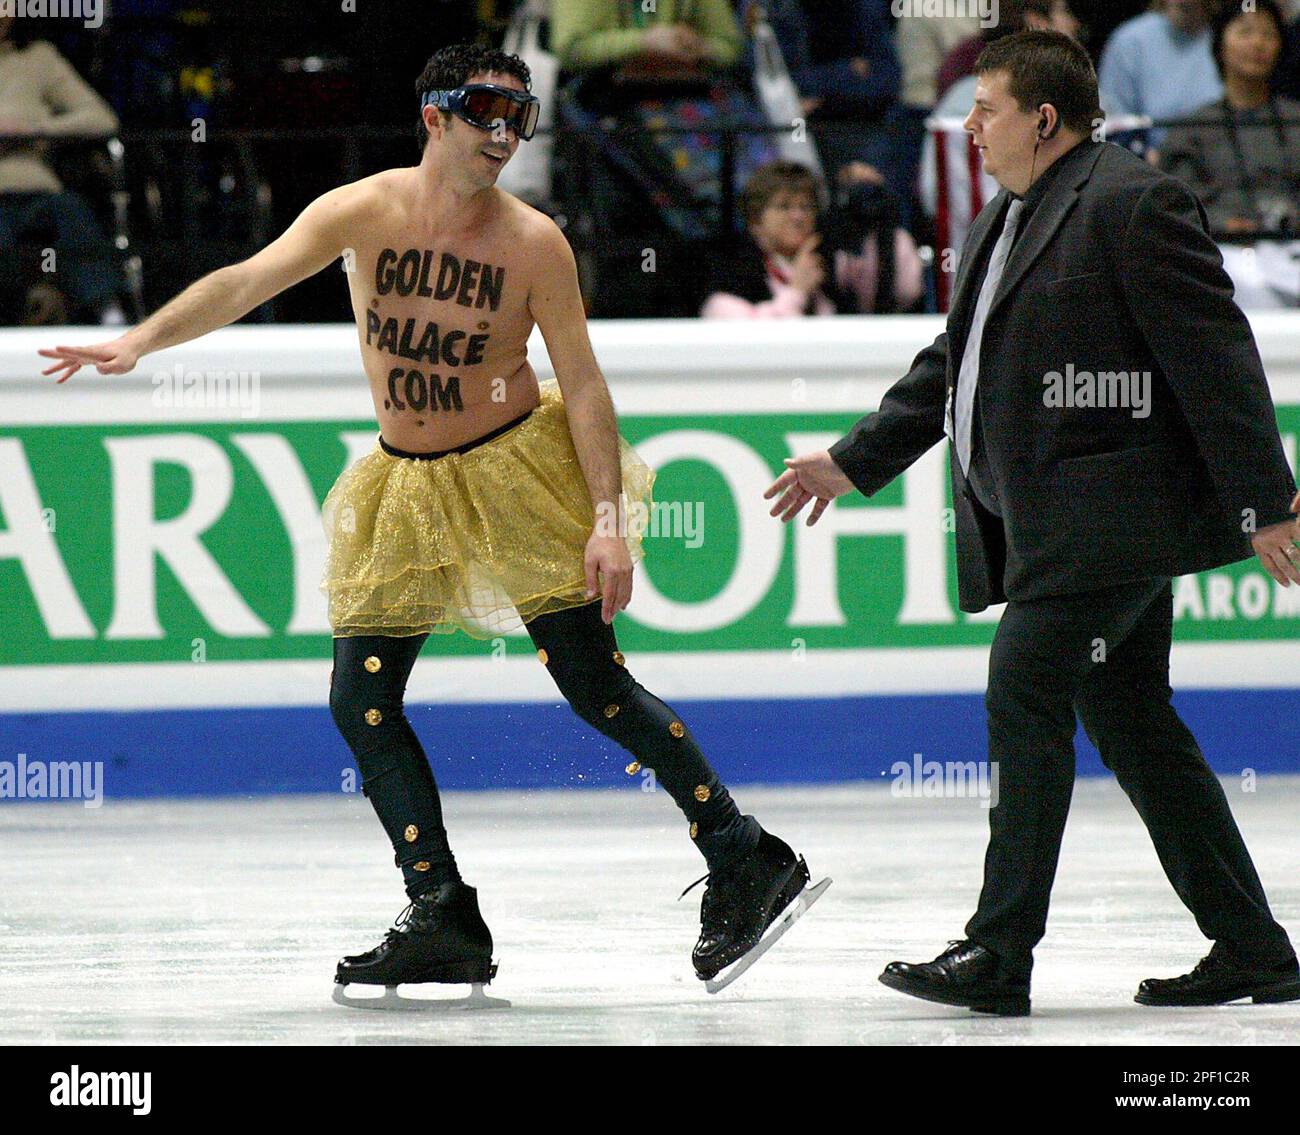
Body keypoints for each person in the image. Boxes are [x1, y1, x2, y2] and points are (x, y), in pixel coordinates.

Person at [38, 44, 816, 999]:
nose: (503, 134)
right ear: (433, 117)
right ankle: (442, 910)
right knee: (361, 701)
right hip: (405, 484)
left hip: (515, 474)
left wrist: (608, 518)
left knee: (592, 682)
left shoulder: (534, 242)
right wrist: (137, 342)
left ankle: (744, 852)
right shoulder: (360, 210)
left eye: (519, 117)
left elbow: (582, 384)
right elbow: (247, 280)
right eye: (484, 112)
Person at [767, 29, 1300, 1016]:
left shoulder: (1132, 202)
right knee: (1135, 725)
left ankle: (998, 948)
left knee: (1023, 694)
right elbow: (950, 366)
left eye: (985, 109)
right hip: (1055, 521)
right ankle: (1253, 947)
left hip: (1112, 520)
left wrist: (1264, 500)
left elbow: (1217, 358)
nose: (967, 127)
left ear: (1043, 118)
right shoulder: (995, 223)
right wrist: (852, 461)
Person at [0, 14, 124, 326]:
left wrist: (36, 128)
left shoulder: (38, 58)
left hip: (36, 189)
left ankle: (108, 312)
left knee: (71, 212)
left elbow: (102, 119)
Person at [700, 159, 922, 317]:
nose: (797, 217)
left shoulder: (830, 263)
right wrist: (797, 291)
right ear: (755, 220)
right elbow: (751, 347)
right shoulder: (730, 273)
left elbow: (905, 290)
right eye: (784, 207)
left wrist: (868, 209)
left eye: (806, 207)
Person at [1099, 0, 1224, 151]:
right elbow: (1113, 125)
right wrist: (1142, 155)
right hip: (1148, 165)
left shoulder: (1231, 37)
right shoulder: (1130, 41)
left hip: (1221, 160)